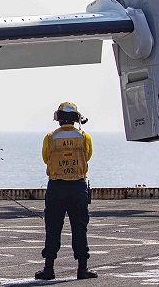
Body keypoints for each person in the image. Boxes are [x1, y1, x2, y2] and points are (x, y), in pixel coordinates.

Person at [35, 102, 98, 280]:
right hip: (78, 187)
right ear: (77, 118)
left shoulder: (50, 137)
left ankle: (49, 269)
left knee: (53, 228)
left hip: (56, 187)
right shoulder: (84, 137)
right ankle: (82, 268)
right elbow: (88, 155)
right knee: (79, 228)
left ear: (59, 118)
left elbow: (46, 158)